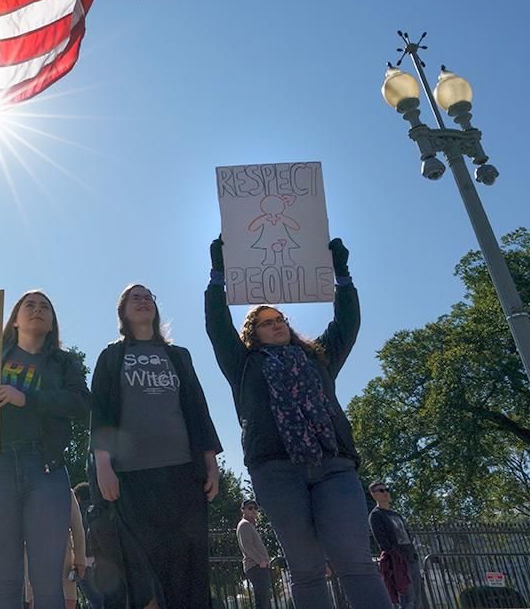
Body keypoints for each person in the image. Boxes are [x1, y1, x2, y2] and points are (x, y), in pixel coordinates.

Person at [205, 236, 391, 609]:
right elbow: (217, 327)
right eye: (266, 323)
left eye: (280, 320)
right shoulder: (244, 366)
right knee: (306, 567)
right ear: (252, 334)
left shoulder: (317, 357)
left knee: (354, 560)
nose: (276, 325)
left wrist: (342, 276)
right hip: (276, 471)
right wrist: (217, 276)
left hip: (334, 466)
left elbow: (346, 324)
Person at [90, 283, 222, 608]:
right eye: (135, 297)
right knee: (144, 570)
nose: (143, 301)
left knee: (188, 565)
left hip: (183, 474)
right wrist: (103, 465)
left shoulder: (179, 356)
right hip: (133, 478)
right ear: (123, 311)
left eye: (148, 296)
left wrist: (211, 463)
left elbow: (198, 410)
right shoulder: (111, 356)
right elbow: (101, 413)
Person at [0, 290, 91, 609]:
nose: (37, 309)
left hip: (46, 470)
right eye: (30, 305)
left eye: (45, 306)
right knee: (5, 583)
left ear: (52, 323)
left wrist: (26, 398)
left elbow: (81, 402)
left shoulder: (64, 362)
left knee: (48, 583)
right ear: (14, 319)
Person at [369, 482, 421, 609]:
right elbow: (382, 540)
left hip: (411, 558)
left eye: (387, 489)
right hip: (398, 561)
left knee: (418, 597)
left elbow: (406, 535)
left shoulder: (396, 515)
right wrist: (395, 555)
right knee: (408, 597)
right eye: (381, 490)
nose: (386, 493)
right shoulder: (376, 515)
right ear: (373, 495)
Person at [71, 482, 102, 609]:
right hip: (102, 561)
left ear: (77, 498)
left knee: (95, 601)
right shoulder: (100, 509)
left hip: (83, 563)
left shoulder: (76, 514)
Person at [237, 500, 272, 609]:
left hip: (259, 566)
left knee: (264, 600)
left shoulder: (250, 525)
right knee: (262, 601)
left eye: (255, 508)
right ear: (243, 510)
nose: (253, 510)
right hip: (256, 566)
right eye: (250, 508)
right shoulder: (244, 525)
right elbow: (247, 546)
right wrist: (261, 561)